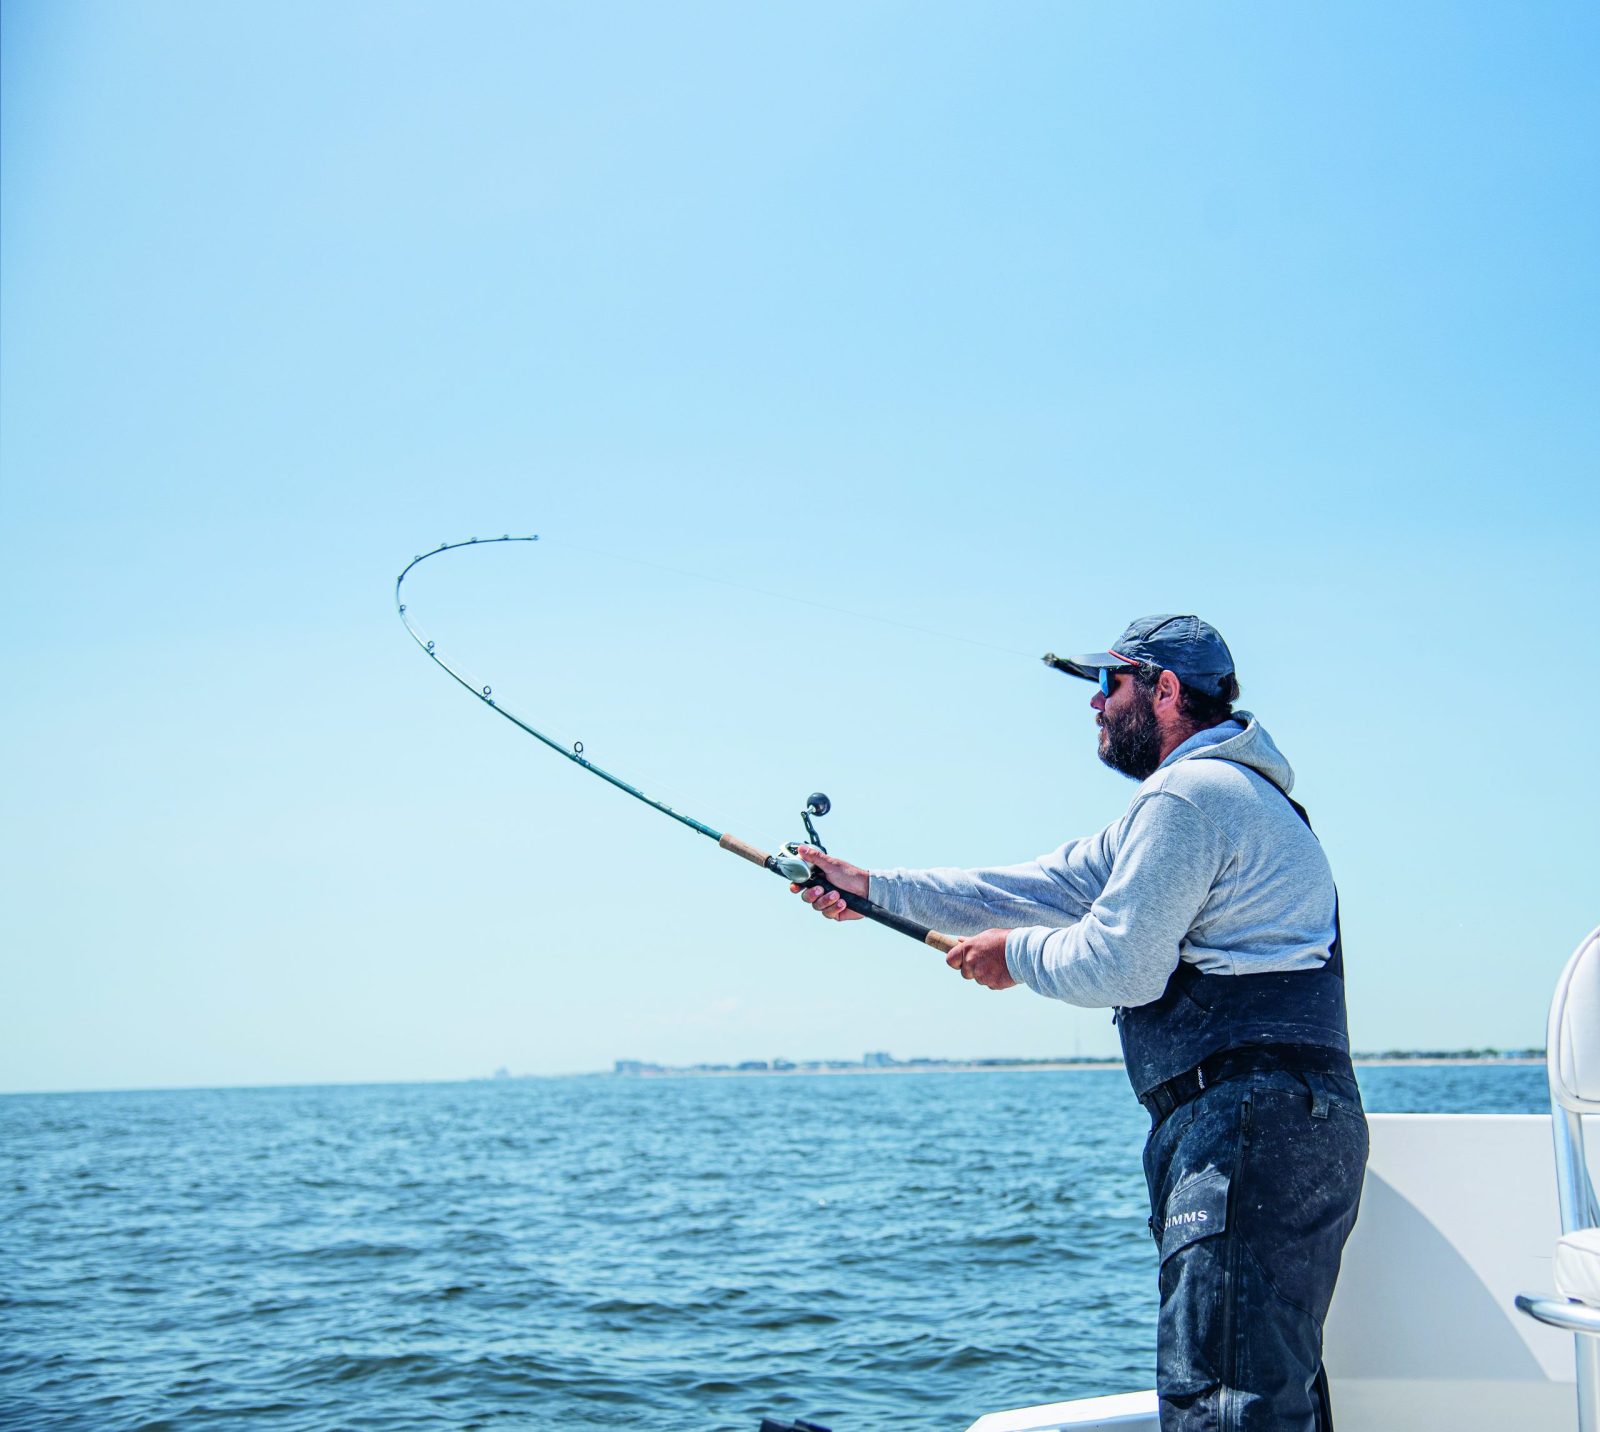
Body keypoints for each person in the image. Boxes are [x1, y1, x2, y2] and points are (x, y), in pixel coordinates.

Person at [792, 614, 1368, 1432]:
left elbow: (1121, 964)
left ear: (1165, 690)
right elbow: (1034, 889)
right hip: (1295, 1123)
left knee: (1222, 1403)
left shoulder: (1187, 796)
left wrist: (1014, 956)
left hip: (1243, 1124)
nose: (1095, 703)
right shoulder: (1235, 797)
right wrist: (873, 889)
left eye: (1109, 682)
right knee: (1268, 1387)